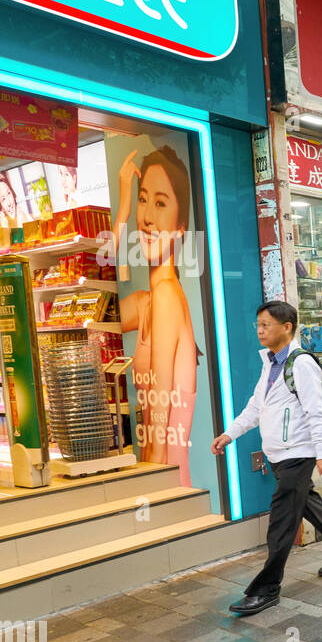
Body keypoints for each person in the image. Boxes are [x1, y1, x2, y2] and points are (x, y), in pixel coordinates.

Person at [212, 301, 322, 616]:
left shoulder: (300, 363)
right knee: (307, 502)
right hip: (279, 453)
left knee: (281, 520)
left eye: (266, 324)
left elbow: (316, 412)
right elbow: (256, 406)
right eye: (258, 325)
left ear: (287, 327)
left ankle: (266, 589)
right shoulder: (270, 363)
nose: (260, 331)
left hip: (298, 453)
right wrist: (230, 434)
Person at [117, 145, 199, 487]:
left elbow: (162, 415)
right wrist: (122, 208)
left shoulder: (166, 297)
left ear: (180, 227)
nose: (147, 217)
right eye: (142, 199)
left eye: (161, 203)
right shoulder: (148, 300)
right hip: (160, 470)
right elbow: (106, 313)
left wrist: (153, 486)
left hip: (165, 475)